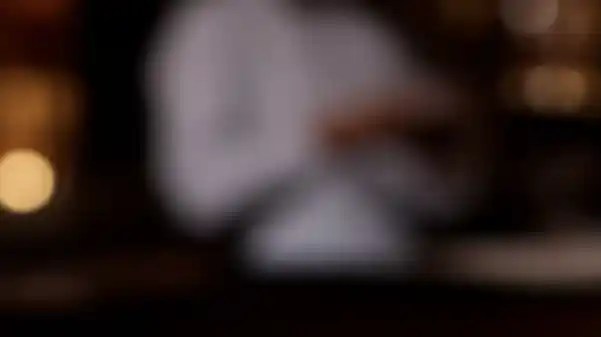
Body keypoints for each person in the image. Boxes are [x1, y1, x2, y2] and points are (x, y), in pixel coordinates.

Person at [144, 0, 484, 277]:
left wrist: (433, 140)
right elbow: (196, 195)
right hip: (272, 278)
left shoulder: (363, 29)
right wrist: (328, 136)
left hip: (401, 270)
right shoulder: (212, 26)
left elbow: (449, 195)